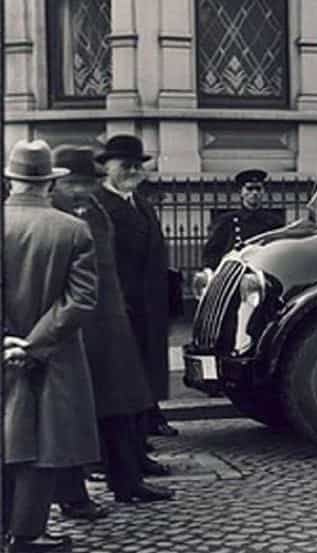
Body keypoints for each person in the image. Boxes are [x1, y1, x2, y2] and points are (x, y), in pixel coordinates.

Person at [50, 146, 174, 512]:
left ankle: (128, 480)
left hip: (111, 321)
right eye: (80, 182)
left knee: (122, 406)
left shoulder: (93, 209)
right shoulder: (63, 215)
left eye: (90, 181)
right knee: (78, 414)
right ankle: (81, 494)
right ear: (60, 182)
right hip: (83, 326)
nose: (87, 188)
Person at [2, 140, 100, 552]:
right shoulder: (72, 229)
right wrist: (34, 343)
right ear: (47, 183)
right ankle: (27, 533)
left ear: (12, 180)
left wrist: (7, 340)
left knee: (8, 440)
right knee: (45, 444)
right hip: (54, 354)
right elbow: (80, 300)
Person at [94, 134, 178, 438]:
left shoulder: (142, 205)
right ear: (107, 168)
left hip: (149, 305)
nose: (132, 171)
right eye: (124, 165)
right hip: (120, 306)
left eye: (137, 165)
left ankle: (145, 429)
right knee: (122, 380)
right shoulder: (99, 206)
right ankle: (131, 444)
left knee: (146, 369)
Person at [201, 168, 285, 269]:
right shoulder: (227, 221)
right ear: (241, 192)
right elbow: (211, 253)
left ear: (263, 192)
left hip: (265, 272)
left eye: (258, 189)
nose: (254, 193)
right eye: (249, 189)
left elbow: (281, 252)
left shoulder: (274, 222)